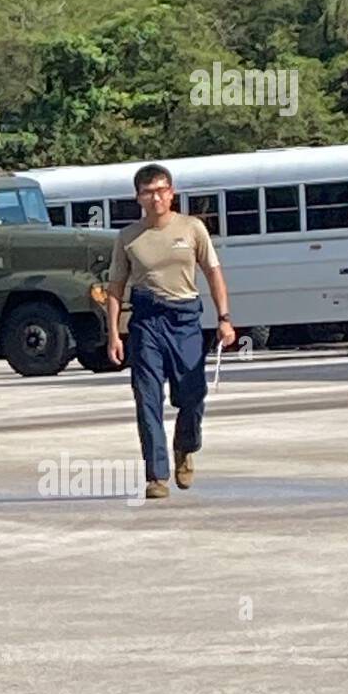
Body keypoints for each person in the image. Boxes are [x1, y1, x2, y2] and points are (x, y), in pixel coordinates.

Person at [106, 164, 235, 500]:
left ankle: (186, 446)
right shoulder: (128, 237)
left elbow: (213, 272)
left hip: (185, 319)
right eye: (149, 191)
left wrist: (224, 318)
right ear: (138, 197)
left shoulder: (191, 229)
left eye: (162, 189)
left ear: (172, 193)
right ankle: (156, 474)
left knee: (192, 396)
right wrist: (114, 335)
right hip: (147, 321)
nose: (156, 197)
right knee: (147, 399)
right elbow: (116, 288)